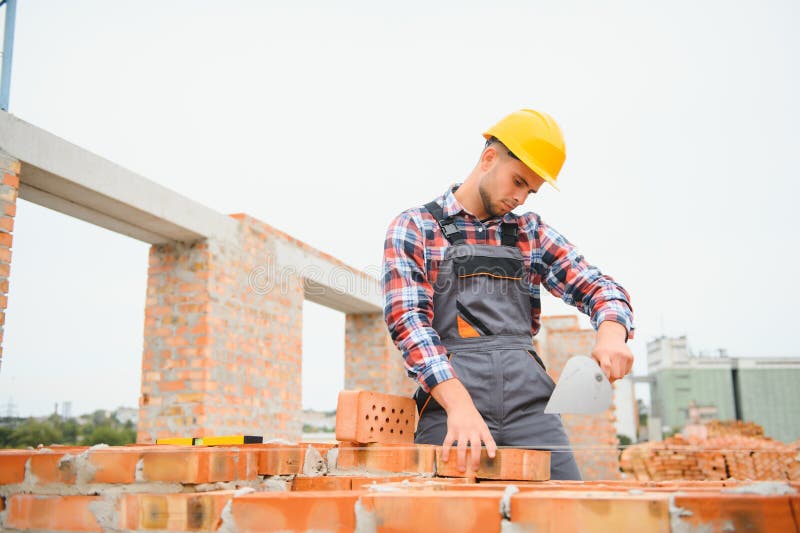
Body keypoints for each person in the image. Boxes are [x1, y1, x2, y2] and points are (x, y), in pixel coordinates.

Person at [381, 109, 635, 480]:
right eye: (517, 181)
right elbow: (408, 322)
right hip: (451, 410)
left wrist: (613, 334)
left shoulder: (530, 233)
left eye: (530, 190)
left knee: (567, 513)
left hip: (531, 413)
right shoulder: (416, 227)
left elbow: (600, 287)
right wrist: (459, 405)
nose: (520, 198)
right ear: (488, 159)